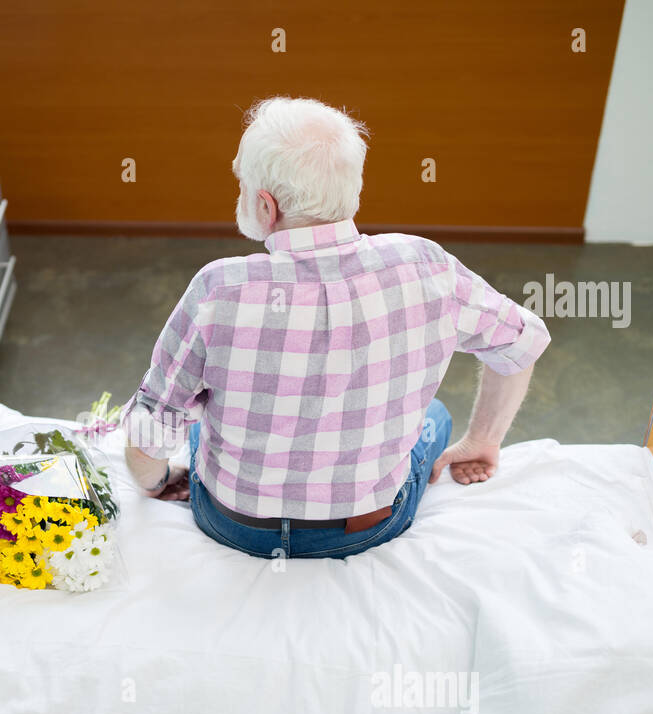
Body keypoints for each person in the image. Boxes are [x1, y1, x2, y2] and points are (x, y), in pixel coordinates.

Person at [122, 96, 550, 559]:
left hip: (234, 525)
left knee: (196, 421)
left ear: (266, 206)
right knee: (438, 416)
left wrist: (158, 482)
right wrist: (483, 440)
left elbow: (150, 431)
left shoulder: (219, 287)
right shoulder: (426, 264)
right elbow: (523, 342)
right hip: (364, 528)